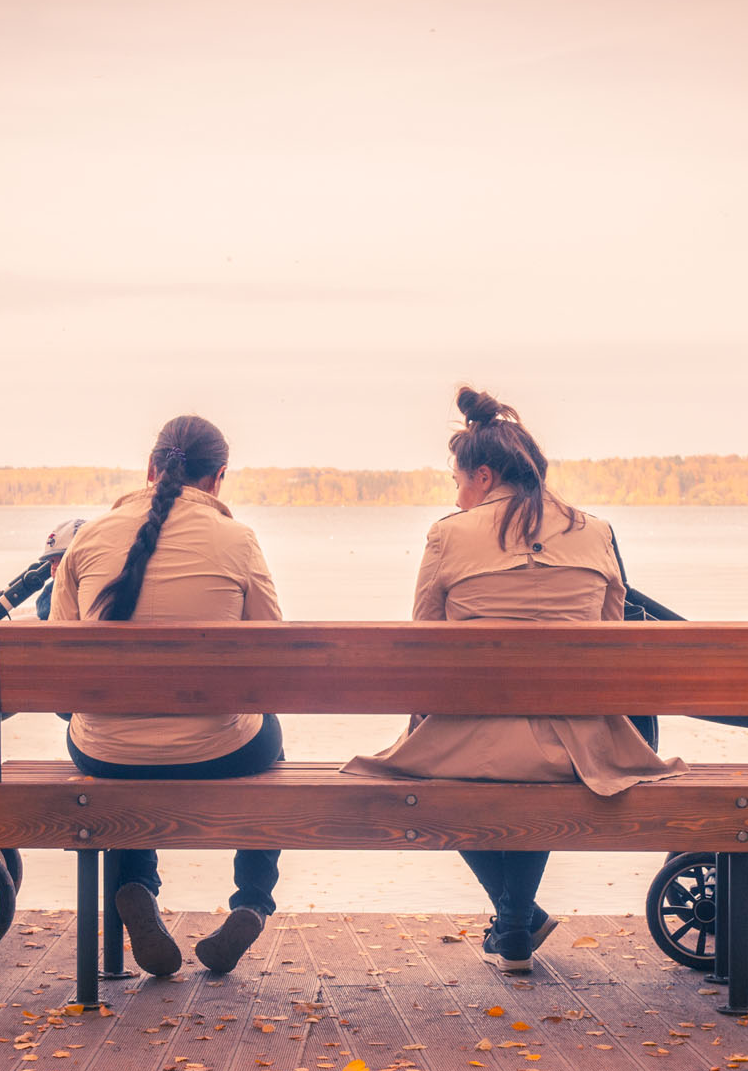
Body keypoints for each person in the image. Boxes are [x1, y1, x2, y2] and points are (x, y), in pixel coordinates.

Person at [343, 387, 688, 974]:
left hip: (473, 740)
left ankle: (515, 921)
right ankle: (515, 923)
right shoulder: (597, 531)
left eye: (456, 481)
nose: (455, 495)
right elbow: (612, 640)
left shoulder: (449, 534)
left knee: (431, 772)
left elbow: (422, 645)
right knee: (536, 759)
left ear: (482, 475)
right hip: (581, 749)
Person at [48, 416, 284, 978]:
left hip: (105, 751)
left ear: (150, 468)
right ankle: (251, 901)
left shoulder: (89, 537)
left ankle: (135, 887)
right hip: (222, 750)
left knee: (121, 752)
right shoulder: (238, 540)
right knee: (270, 742)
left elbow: (59, 680)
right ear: (219, 477)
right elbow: (276, 661)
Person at [34, 518, 86, 619]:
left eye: (62, 559)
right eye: (52, 562)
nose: (54, 567)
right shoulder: (52, 589)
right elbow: (43, 611)